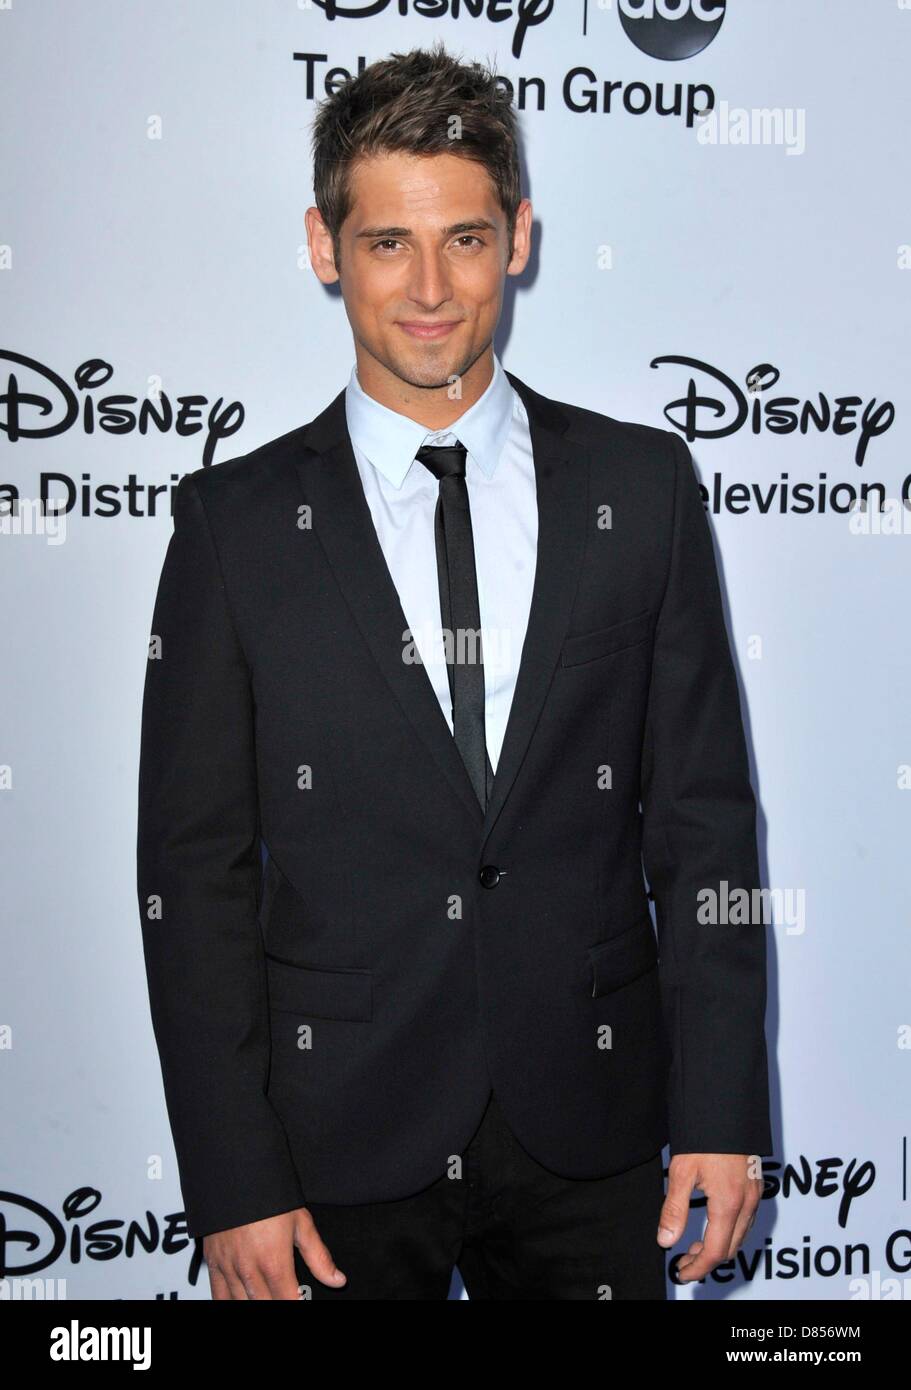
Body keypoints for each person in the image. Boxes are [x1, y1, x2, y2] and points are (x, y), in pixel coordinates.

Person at [136, 41, 772, 1301]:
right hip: (329, 1145)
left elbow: (703, 830)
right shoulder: (234, 525)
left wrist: (721, 1105)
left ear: (520, 237)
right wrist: (230, 1174)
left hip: (591, 1132)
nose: (429, 288)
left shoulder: (638, 492)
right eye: (385, 244)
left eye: (465, 240)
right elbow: (190, 874)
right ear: (325, 248)